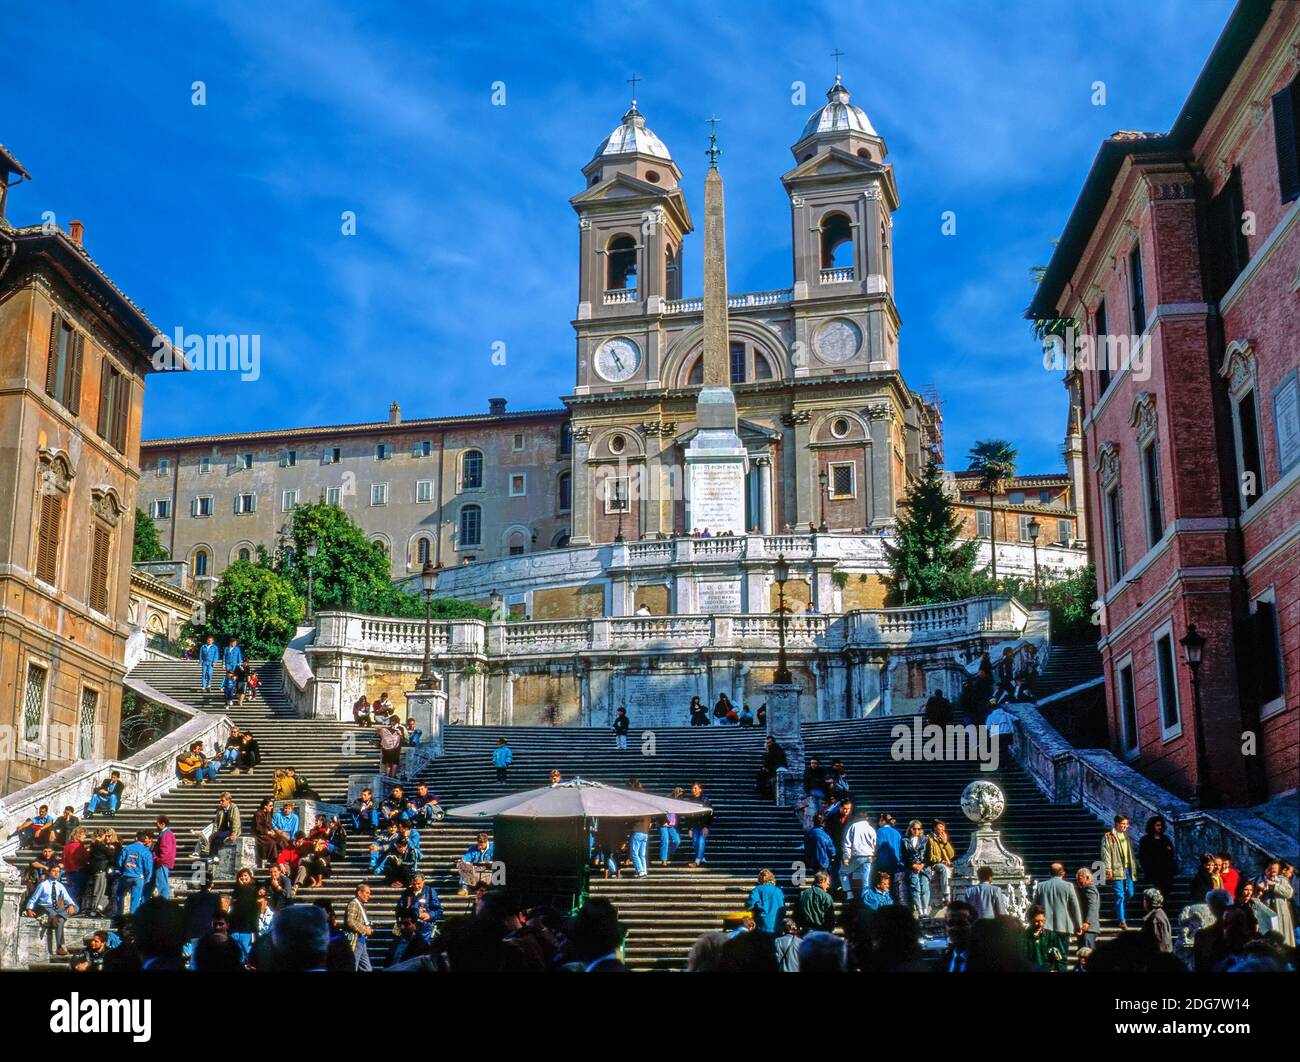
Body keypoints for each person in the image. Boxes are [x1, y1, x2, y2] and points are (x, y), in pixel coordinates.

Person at [1033, 863, 1082, 971]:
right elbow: (1075, 907)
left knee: (1047, 958)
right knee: (1061, 958)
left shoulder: (1041, 886)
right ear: (1062, 873)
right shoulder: (1068, 886)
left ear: (1049, 873)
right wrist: (1078, 926)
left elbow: (1035, 907)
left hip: (1045, 927)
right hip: (1063, 927)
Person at [25, 865, 78, 957]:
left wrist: (70, 905)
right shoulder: (43, 885)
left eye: (58, 871)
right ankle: (60, 946)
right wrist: (29, 909)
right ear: (49, 872)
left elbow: (67, 899)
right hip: (45, 907)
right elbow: (33, 899)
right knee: (59, 920)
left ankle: (59, 916)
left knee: (75, 908)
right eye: (54, 871)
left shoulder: (60, 886)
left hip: (57, 909)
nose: (56, 873)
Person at [1101, 814, 1138, 928]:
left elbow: (1131, 852)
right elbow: (1105, 853)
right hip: (1117, 868)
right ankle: (1122, 919)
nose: (1125, 826)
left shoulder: (1127, 836)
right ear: (1117, 824)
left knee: (1130, 892)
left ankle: (1117, 908)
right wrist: (1108, 868)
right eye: (1123, 824)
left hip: (1128, 868)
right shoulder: (1109, 836)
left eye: (1127, 824)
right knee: (1119, 894)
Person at [397, 873, 444, 944]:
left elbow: (439, 910)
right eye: (414, 884)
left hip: (425, 928)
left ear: (423, 881)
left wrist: (430, 915)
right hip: (409, 928)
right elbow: (399, 909)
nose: (416, 886)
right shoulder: (406, 892)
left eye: (419, 884)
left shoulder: (430, 891)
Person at [1138, 814, 1176, 901]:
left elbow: (1171, 852)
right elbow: (1143, 855)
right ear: (1152, 826)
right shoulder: (1145, 840)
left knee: (1166, 890)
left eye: (1161, 825)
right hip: (1153, 870)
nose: (1159, 827)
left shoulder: (1165, 839)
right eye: (1157, 825)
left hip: (1166, 870)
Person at [116, 830, 154, 915]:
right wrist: (147, 878)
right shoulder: (146, 851)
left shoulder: (127, 848)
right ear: (144, 840)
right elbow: (148, 868)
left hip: (126, 875)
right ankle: (132, 917)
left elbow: (120, 862)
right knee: (135, 899)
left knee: (119, 895)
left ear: (136, 838)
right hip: (138, 877)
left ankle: (119, 914)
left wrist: (121, 871)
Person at [840, 812, 876, 901]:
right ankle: (866, 898)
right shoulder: (870, 828)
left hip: (857, 855)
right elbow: (874, 843)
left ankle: (849, 893)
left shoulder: (853, 826)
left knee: (842, 872)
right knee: (866, 878)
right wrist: (874, 855)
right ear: (867, 818)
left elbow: (847, 843)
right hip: (868, 855)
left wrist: (846, 857)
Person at [227, 867, 259, 963]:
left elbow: (251, 907)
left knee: (246, 954)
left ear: (250, 877)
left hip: (246, 928)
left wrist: (255, 929)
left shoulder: (253, 890)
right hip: (235, 927)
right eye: (241, 876)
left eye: (245, 875)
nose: (243, 878)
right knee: (235, 955)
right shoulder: (235, 891)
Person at [196, 792, 241, 860]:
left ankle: (214, 855)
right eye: (220, 801)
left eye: (222, 800)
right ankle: (211, 855)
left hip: (230, 830)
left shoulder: (234, 808)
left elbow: (236, 822)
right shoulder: (220, 809)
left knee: (218, 837)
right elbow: (216, 822)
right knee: (211, 836)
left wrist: (234, 834)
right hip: (222, 830)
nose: (220, 802)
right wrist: (214, 831)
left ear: (228, 800)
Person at [902, 819, 930, 918]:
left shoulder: (925, 839)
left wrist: (922, 864)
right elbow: (904, 856)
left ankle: (925, 909)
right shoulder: (905, 840)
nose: (917, 831)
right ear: (910, 829)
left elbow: (928, 855)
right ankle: (920, 910)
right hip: (912, 867)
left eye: (919, 829)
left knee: (925, 887)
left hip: (924, 867)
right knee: (915, 887)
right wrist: (912, 865)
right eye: (914, 829)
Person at [926, 820, 955, 910]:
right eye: (940, 826)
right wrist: (941, 861)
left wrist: (945, 843)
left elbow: (951, 855)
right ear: (935, 827)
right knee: (944, 869)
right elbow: (930, 856)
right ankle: (946, 896)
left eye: (943, 827)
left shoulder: (943, 838)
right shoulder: (928, 838)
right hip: (934, 864)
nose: (943, 829)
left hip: (946, 863)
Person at [345, 883, 374, 971]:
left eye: (369, 893)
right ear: (359, 893)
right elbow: (350, 921)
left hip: (362, 941)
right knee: (353, 967)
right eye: (367, 893)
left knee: (367, 969)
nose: (368, 896)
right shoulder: (354, 904)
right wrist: (365, 929)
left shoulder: (360, 905)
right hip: (356, 941)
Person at [796, 870, 836, 934]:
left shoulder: (803, 894)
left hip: (806, 931)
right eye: (828, 882)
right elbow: (830, 918)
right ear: (822, 881)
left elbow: (797, 913)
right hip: (822, 932)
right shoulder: (827, 897)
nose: (828, 885)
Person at [874, 813, 903, 899]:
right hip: (895, 861)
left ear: (882, 821)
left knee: (882, 881)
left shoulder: (879, 831)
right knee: (892, 882)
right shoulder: (897, 833)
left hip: (882, 861)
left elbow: (877, 846)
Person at [149, 816, 175, 900]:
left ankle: (163, 903)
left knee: (162, 884)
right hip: (163, 862)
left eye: (157, 824)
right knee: (162, 883)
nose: (156, 826)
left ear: (163, 824)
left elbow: (165, 850)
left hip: (162, 863)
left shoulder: (166, 834)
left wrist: (158, 860)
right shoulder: (166, 833)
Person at [1076, 866, 1102, 951]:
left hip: (1089, 928)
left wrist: (1087, 922)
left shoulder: (1089, 888)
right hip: (1087, 928)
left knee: (1087, 952)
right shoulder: (1085, 889)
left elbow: (1092, 906)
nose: (1078, 881)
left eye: (1080, 878)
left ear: (1087, 877)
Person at [1140, 888, 1173, 954]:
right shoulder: (1158, 914)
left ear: (1149, 901)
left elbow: (1161, 942)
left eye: (1145, 899)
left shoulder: (1156, 918)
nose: (1143, 902)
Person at [686, 782, 711, 867]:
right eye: (692, 788)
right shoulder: (690, 801)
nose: (693, 790)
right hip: (695, 826)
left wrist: (707, 827)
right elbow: (688, 816)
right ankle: (702, 857)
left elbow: (710, 814)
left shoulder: (705, 800)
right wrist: (689, 828)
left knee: (701, 841)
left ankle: (697, 861)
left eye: (695, 788)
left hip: (703, 826)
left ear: (700, 789)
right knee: (695, 842)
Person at [658, 800, 682, 866]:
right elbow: (659, 811)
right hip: (663, 824)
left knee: (677, 841)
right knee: (665, 840)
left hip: (673, 825)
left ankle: (667, 853)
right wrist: (663, 821)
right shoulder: (666, 801)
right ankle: (664, 859)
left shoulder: (680, 803)